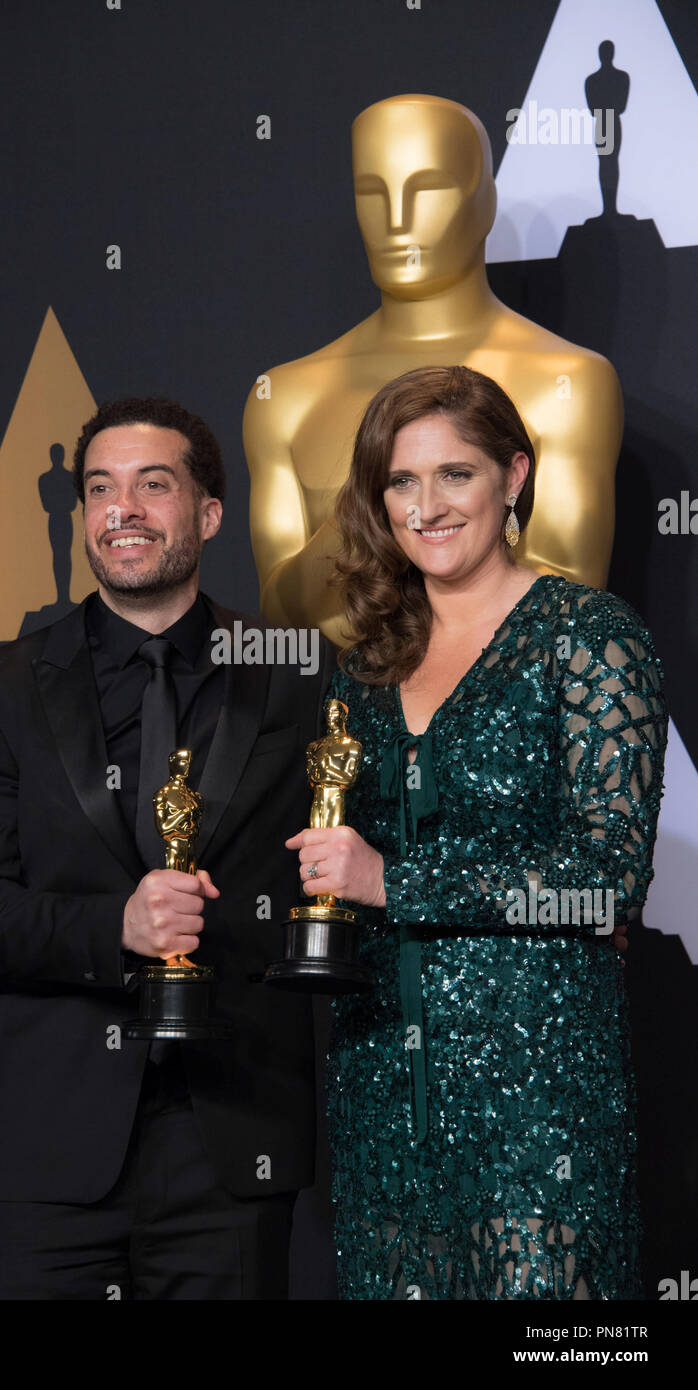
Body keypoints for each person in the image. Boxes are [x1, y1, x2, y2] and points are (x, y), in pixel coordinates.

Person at [0, 396, 335, 1300]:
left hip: (234, 1139)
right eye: (101, 489)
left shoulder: (297, 677)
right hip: (48, 1154)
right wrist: (116, 925)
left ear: (209, 512)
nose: (124, 510)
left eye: (155, 486)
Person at [284, 365, 668, 1299]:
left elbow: (609, 883)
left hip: (541, 1105)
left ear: (515, 477)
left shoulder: (588, 635)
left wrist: (394, 880)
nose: (427, 506)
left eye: (455, 474)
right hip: (383, 1091)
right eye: (402, 482)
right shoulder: (367, 664)